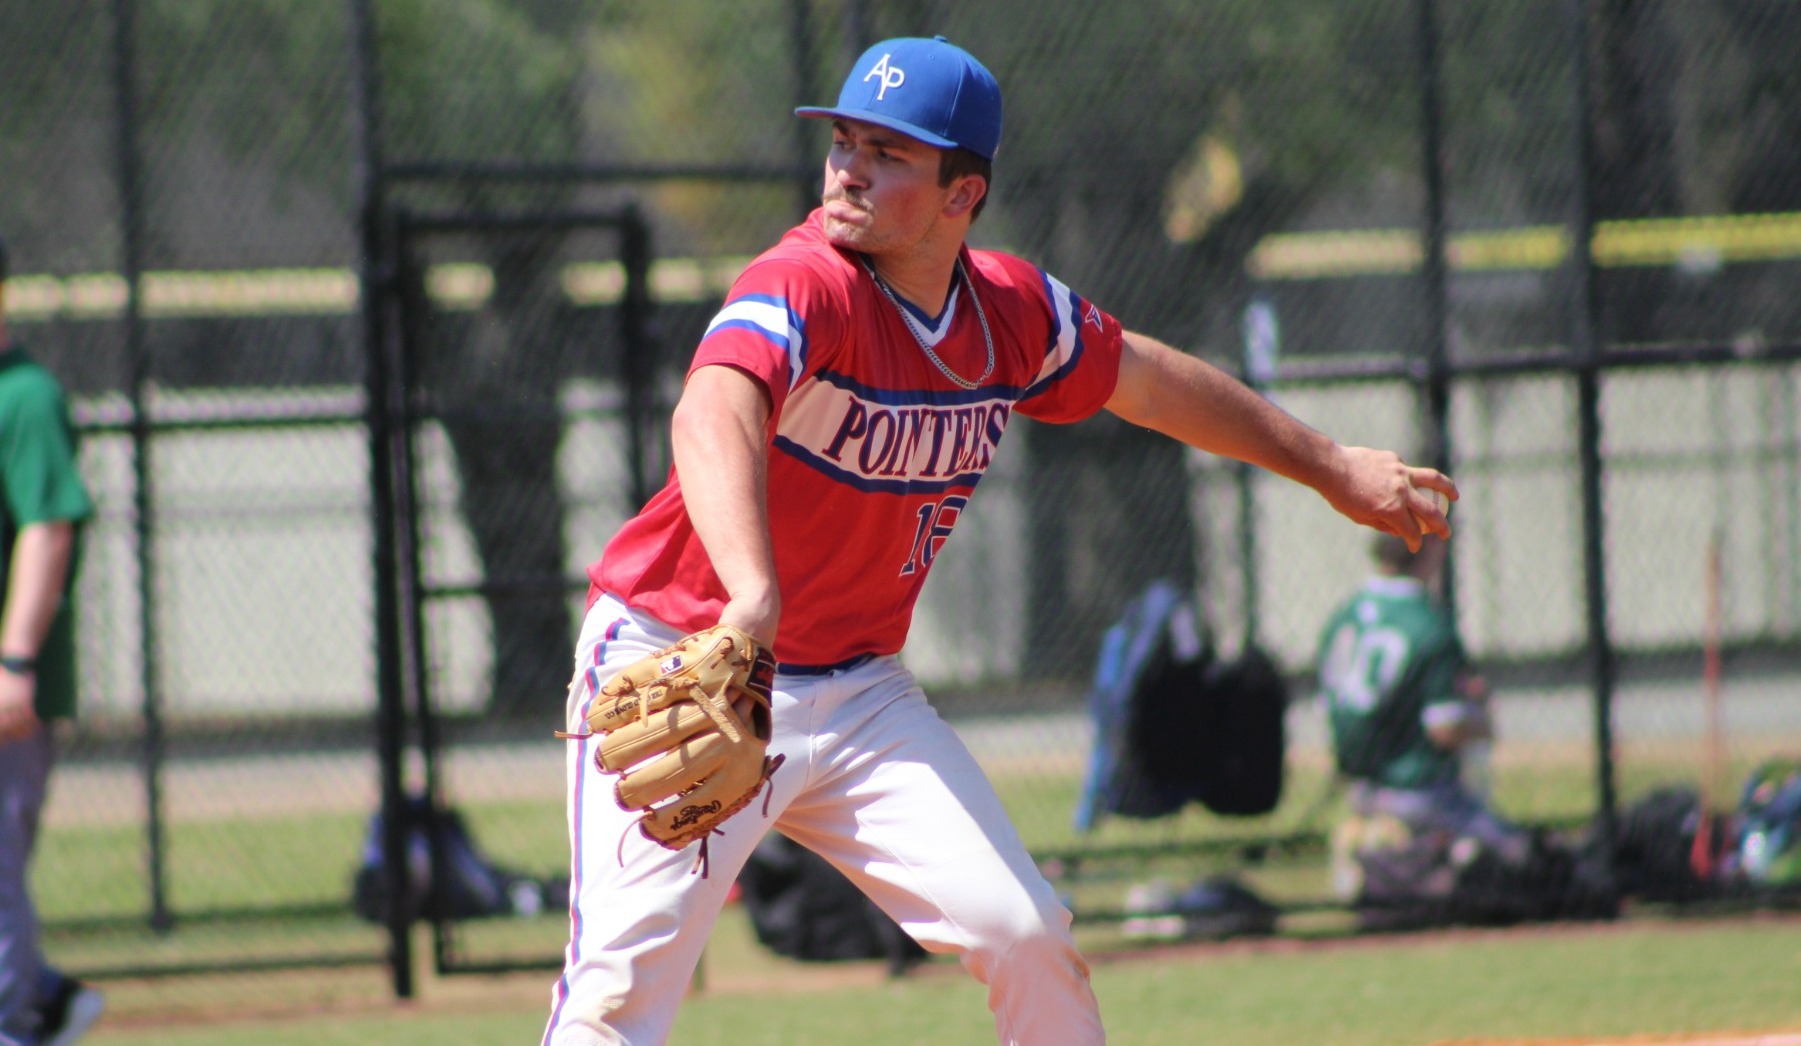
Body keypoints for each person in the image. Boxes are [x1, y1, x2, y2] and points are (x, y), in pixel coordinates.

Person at [543, 36, 1455, 1046]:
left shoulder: (1008, 314)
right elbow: (713, 407)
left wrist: (1329, 464)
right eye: (843, 141)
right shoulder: (808, 281)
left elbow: (1149, 382)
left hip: (855, 692)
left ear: (959, 195)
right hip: (689, 651)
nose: (849, 167)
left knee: (1025, 932)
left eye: (888, 154)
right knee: (618, 996)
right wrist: (752, 598)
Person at [0, 233, 104, 1046]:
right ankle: (44, 1001)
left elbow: (48, 527)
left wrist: (15, 664)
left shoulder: (24, 396)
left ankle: (23, 1017)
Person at [1316, 531, 1528, 864]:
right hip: (1419, 794)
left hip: (1358, 791)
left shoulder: (1343, 616)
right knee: (1522, 856)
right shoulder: (1429, 624)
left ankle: (1372, 846)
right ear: (1429, 548)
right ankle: (1420, 850)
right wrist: (1482, 719)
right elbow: (1445, 730)